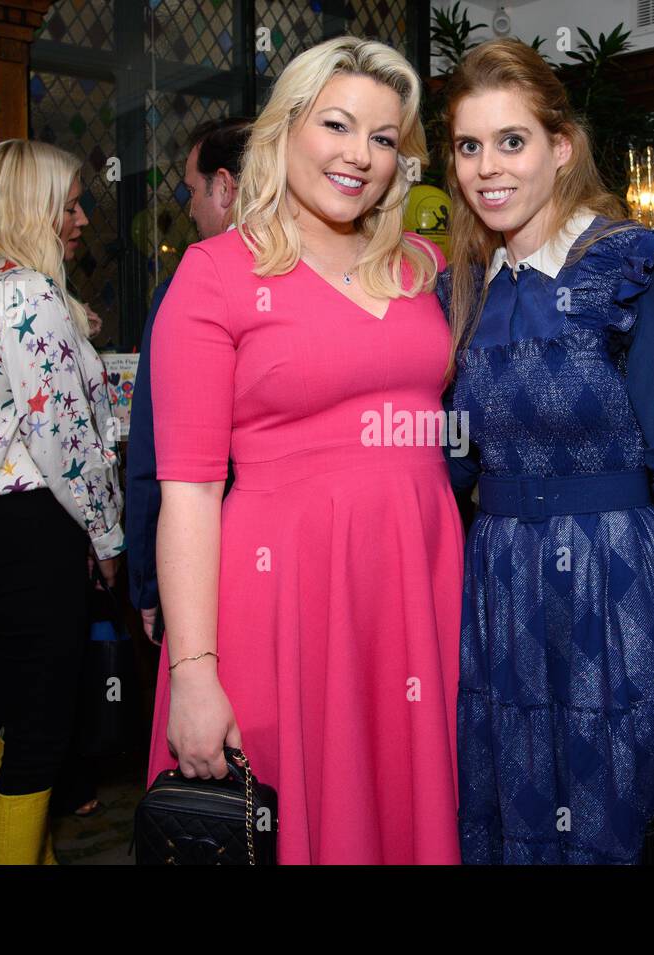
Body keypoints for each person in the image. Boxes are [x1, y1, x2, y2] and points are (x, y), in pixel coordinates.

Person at [146, 36, 461, 864]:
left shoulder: (420, 267)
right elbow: (188, 492)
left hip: (410, 598)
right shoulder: (214, 275)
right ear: (285, 130)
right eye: (338, 125)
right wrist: (193, 671)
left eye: (385, 138)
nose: (361, 155)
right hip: (279, 604)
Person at [439, 39, 654, 864]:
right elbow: (445, 468)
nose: (488, 168)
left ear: (561, 147)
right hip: (496, 597)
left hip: (616, 589)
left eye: (513, 141)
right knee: (508, 814)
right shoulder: (462, 292)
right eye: (469, 146)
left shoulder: (636, 268)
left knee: (621, 817)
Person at [0, 139, 124, 865]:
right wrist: (108, 537)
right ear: (32, 211)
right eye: (69, 203)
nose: (81, 218)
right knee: (41, 735)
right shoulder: (29, 297)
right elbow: (66, 440)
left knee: (18, 723)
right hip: (32, 533)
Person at [127, 117, 251, 646]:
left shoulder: (192, 285)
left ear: (224, 188)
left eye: (193, 190)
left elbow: (155, 452)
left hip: (203, 565)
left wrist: (149, 582)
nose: (192, 205)